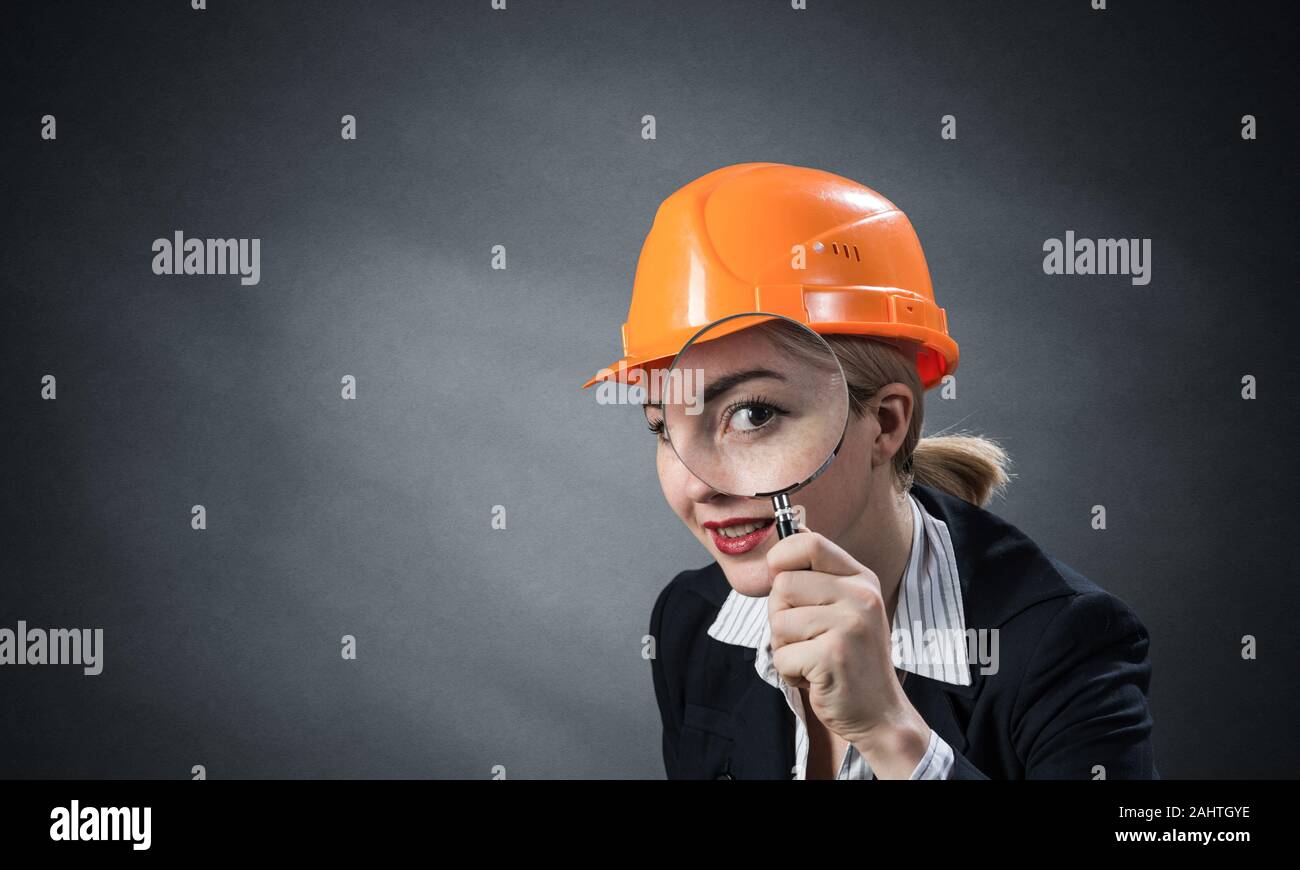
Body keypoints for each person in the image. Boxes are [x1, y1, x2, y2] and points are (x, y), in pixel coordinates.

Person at [582, 162, 1157, 780]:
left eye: (752, 414)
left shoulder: (1061, 639)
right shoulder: (691, 618)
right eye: (664, 429)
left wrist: (891, 730)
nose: (699, 485)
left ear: (885, 423)